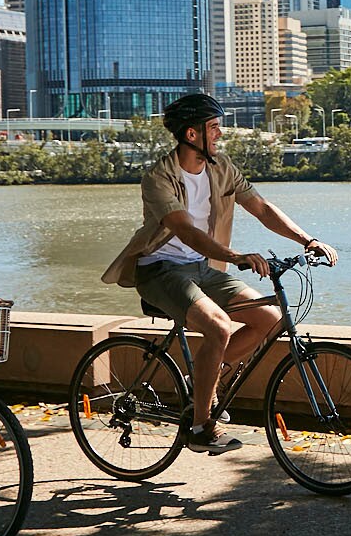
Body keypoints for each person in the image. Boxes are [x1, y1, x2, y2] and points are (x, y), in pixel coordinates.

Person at [102, 93, 336, 453]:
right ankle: (200, 428)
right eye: (213, 127)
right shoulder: (159, 178)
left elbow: (262, 208)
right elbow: (186, 231)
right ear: (191, 134)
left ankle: (203, 382)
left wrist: (308, 240)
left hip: (204, 269)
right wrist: (237, 256)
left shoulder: (221, 168)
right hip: (161, 271)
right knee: (219, 327)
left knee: (271, 320)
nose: (220, 134)